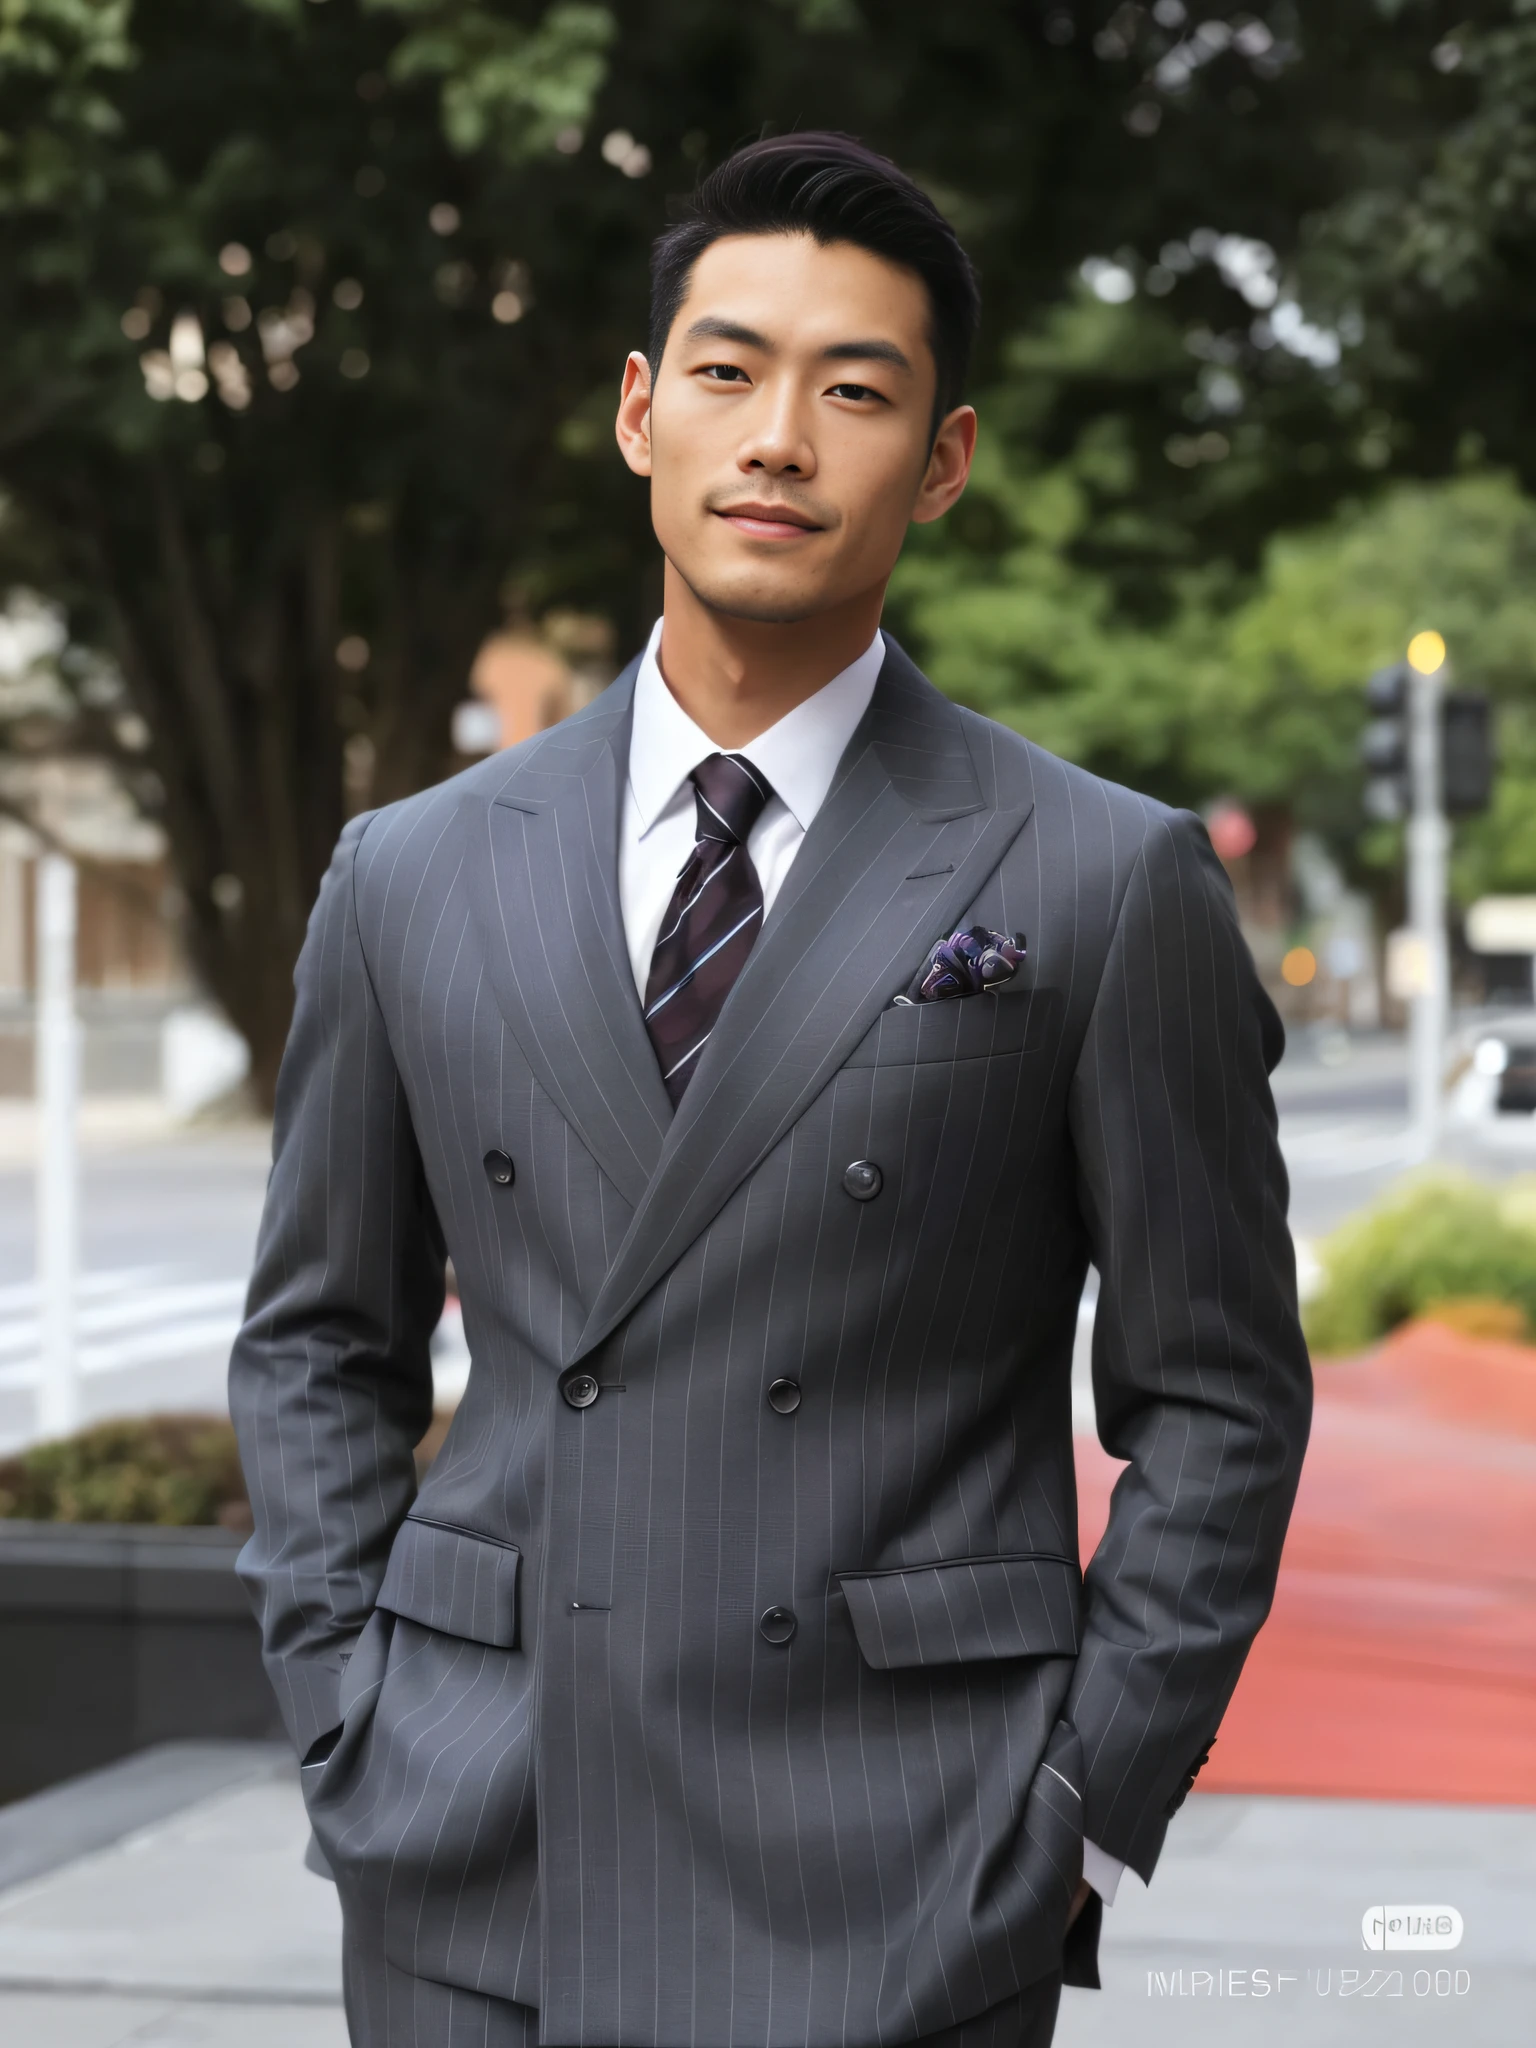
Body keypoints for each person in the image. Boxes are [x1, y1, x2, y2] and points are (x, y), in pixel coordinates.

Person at [229, 132, 1311, 2048]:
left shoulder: (1096, 875)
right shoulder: (413, 869)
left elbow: (1218, 1391)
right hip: (480, 1845)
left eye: (855, 389)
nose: (780, 438)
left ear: (945, 459)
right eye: (726, 372)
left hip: (902, 1864)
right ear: (641, 415)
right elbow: (322, 1338)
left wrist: (1078, 1811)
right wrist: (345, 1707)